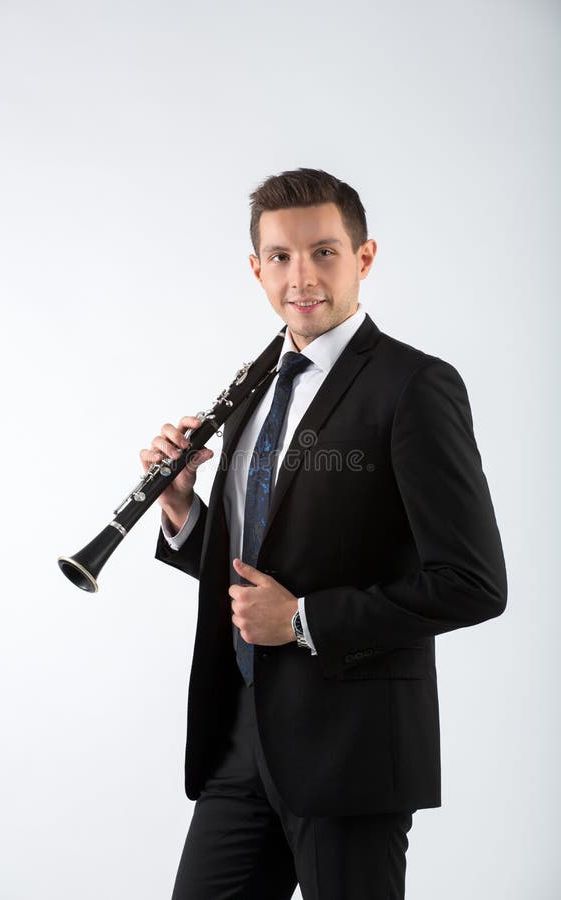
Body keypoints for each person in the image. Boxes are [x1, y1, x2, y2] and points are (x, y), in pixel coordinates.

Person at [141, 168, 507, 899]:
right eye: (279, 256)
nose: (301, 276)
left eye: (324, 252)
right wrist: (183, 510)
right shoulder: (255, 384)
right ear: (256, 267)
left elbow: (473, 584)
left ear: (364, 258)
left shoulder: (415, 386)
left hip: (353, 750)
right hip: (241, 740)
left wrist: (304, 620)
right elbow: (266, 563)